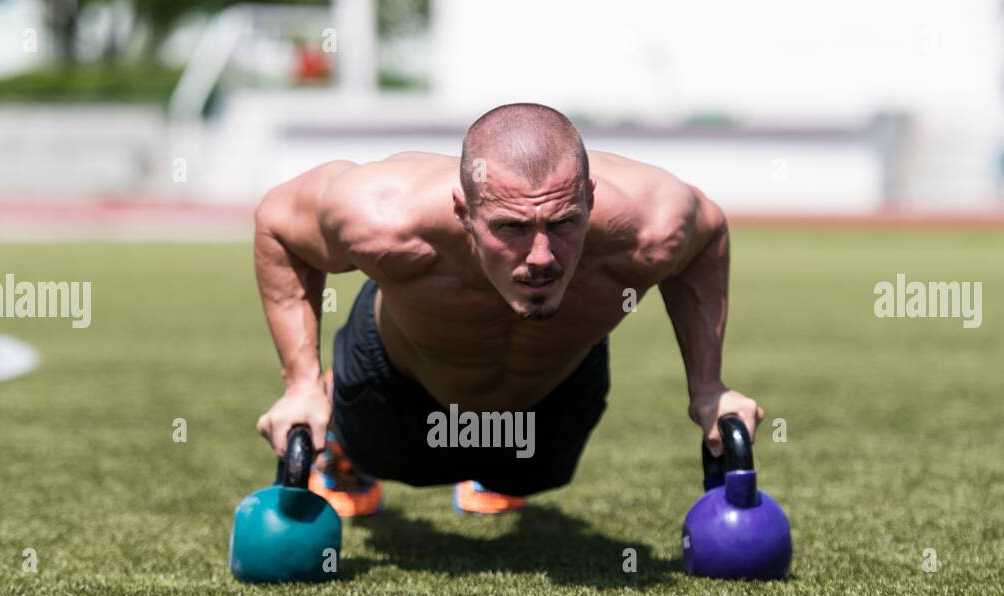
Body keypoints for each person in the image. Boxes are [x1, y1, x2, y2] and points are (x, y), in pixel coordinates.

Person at [253, 103, 763, 516]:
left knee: (525, 476)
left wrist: (708, 387)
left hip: (551, 398)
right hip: (400, 384)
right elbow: (278, 222)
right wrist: (298, 386)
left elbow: (707, 238)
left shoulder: (653, 219)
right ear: (463, 211)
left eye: (563, 223)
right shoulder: (384, 217)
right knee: (379, 451)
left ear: (589, 197)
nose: (541, 258)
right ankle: (339, 427)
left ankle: (494, 466)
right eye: (511, 229)